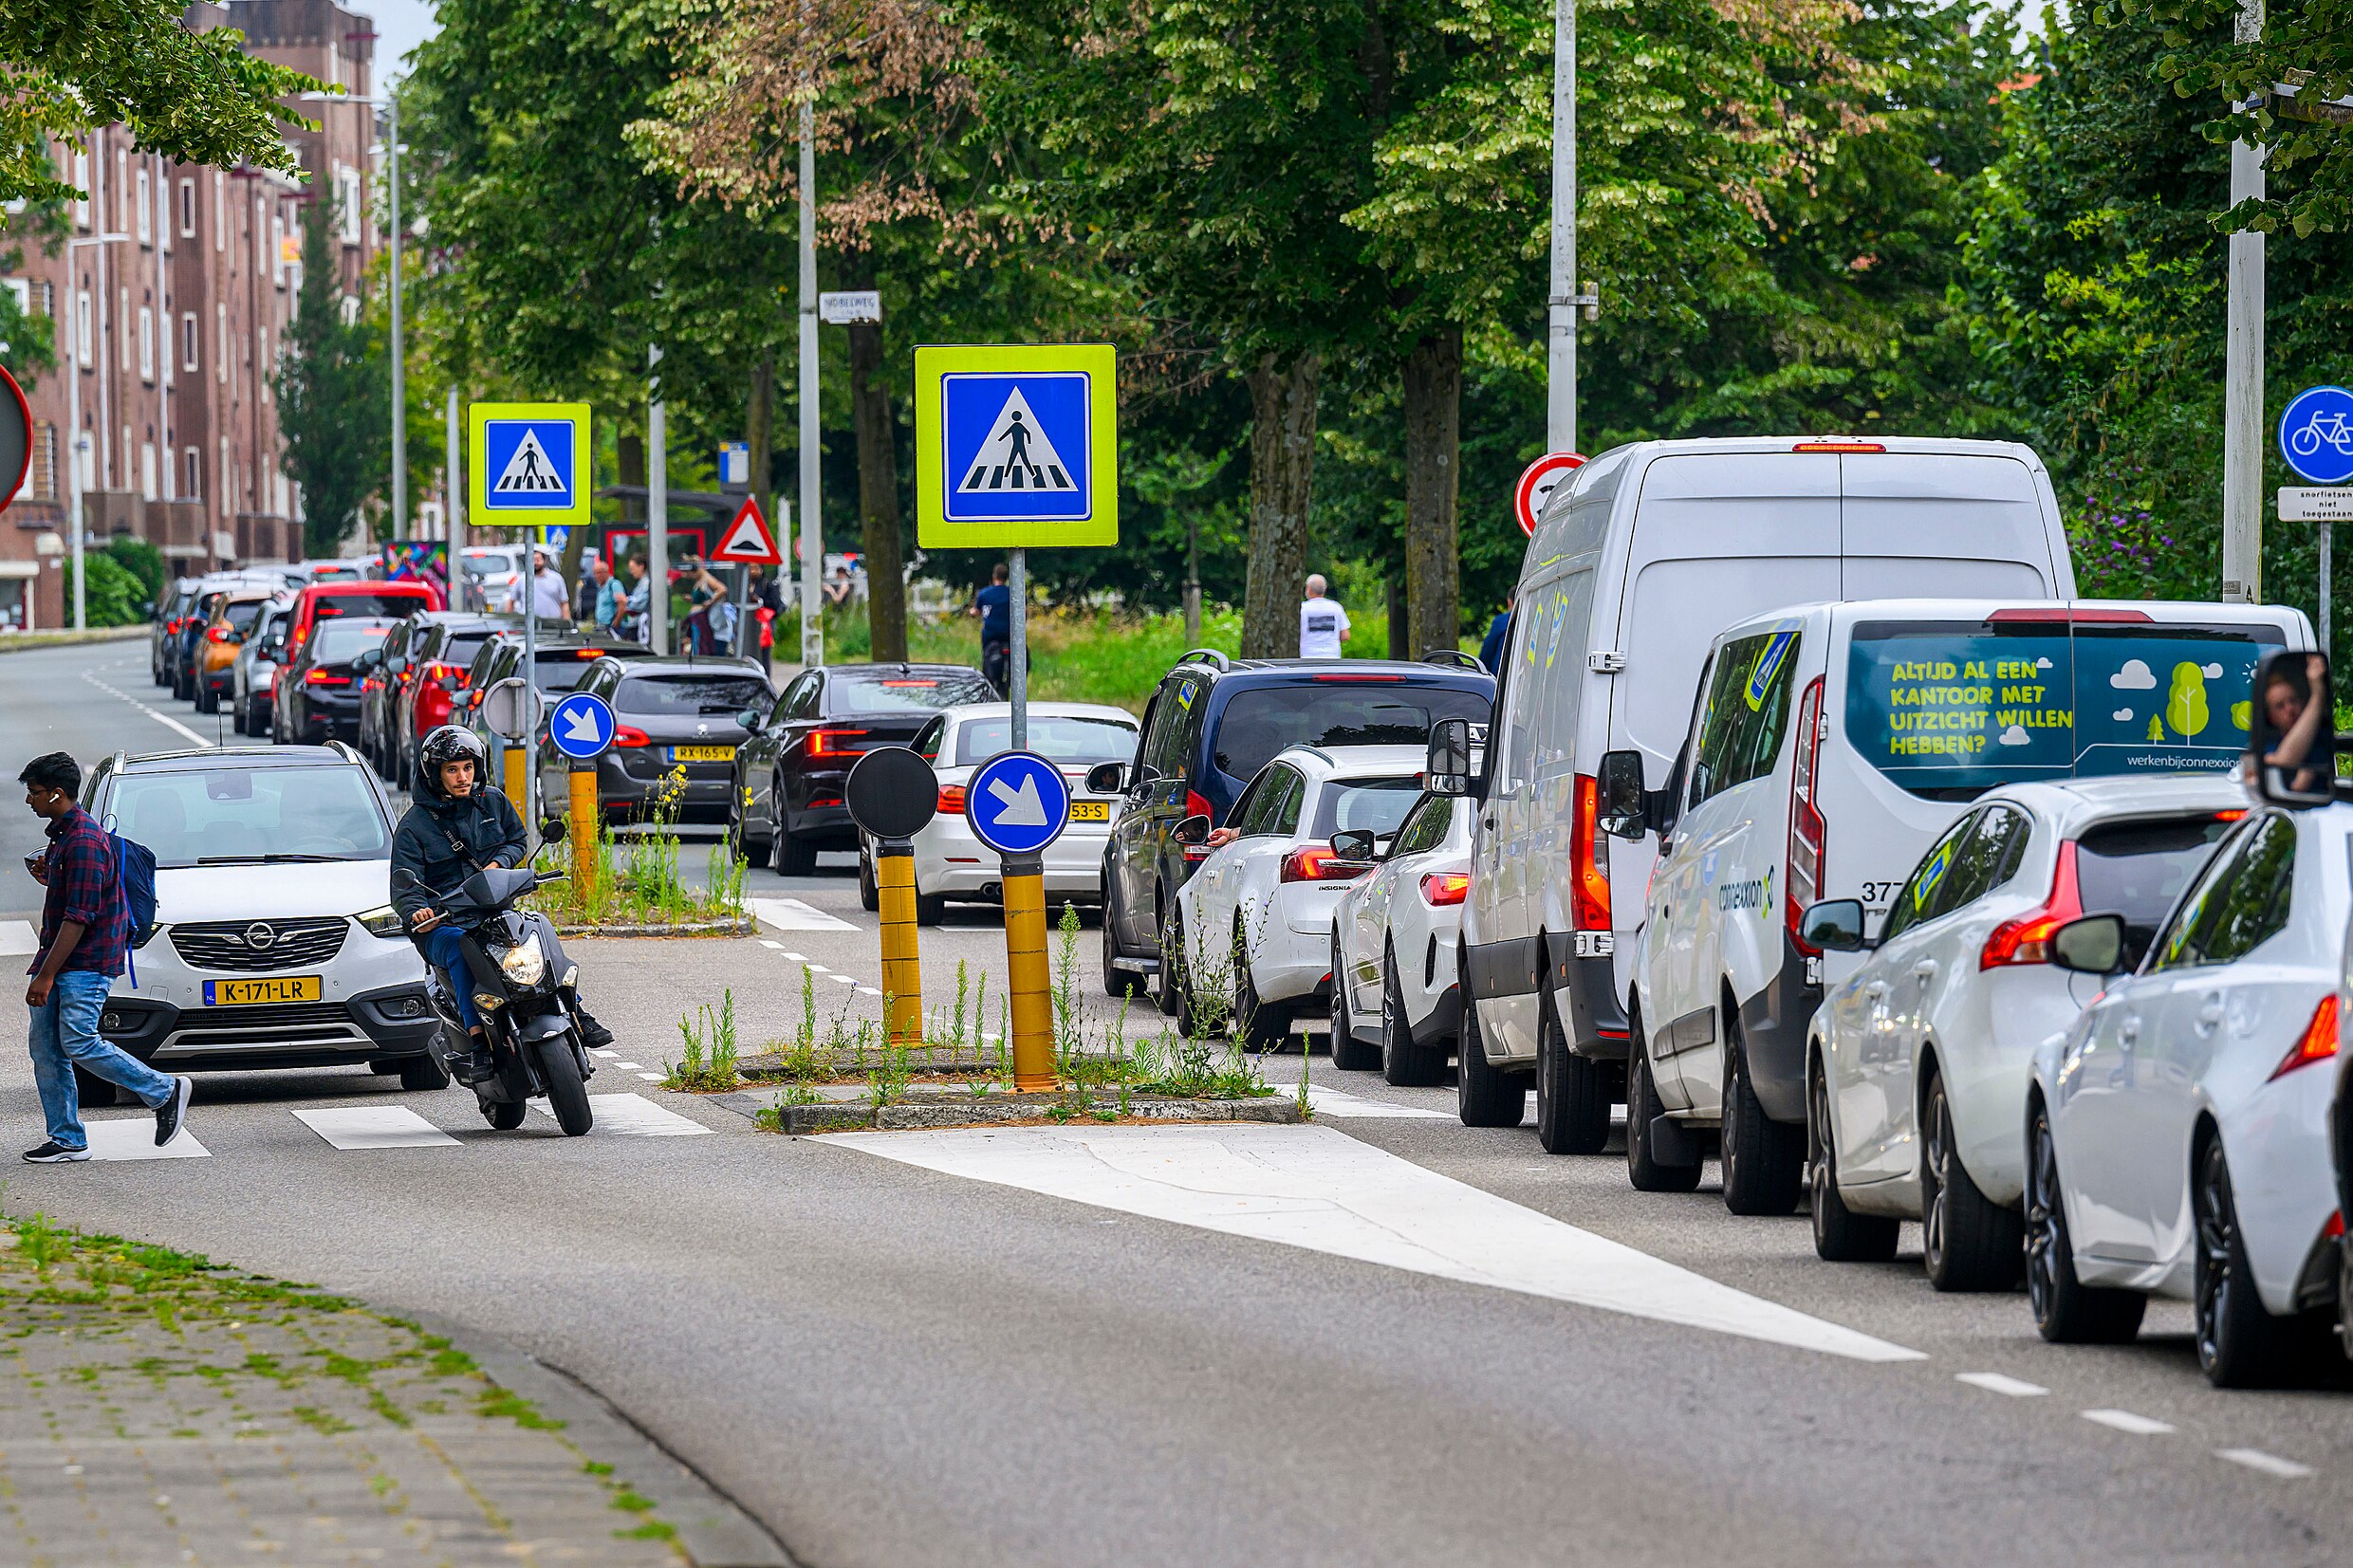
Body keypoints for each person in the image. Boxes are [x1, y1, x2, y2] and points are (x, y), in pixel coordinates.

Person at [392, 728, 614, 1078]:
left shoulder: (492, 800)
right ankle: (479, 1043)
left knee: (537, 930)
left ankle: (575, 1012)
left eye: (467, 767)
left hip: (493, 909)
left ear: (477, 768)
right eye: (452, 770)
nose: (462, 777)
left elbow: (517, 840)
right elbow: (404, 887)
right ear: (434, 774)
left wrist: (501, 865)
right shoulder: (414, 825)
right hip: (444, 924)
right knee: (460, 950)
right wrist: (417, 910)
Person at [16, 752, 193, 1162]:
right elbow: (76, 898)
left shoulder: (83, 841)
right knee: (46, 1049)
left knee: (78, 1040)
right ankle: (67, 1139)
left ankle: (165, 1090)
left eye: (35, 793)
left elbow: (79, 917)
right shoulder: (64, 837)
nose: (30, 801)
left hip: (85, 962)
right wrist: (50, 873)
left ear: (57, 794)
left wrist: (45, 975)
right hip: (63, 959)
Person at [2259, 653, 2331, 794]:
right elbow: (2283, 761)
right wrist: (2317, 696)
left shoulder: (2320, 739)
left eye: (2292, 700)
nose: (2290, 709)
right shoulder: (2268, 746)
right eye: (2280, 706)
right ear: (2272, 718)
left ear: (2302, 702)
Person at [973, 563, 1012, 692]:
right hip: (1010, 636)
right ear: (1007, 577)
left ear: (994, 576)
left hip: (991, 635)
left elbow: (976, 611)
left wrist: (972, 613)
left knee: (987, 657)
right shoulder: (1012, 593)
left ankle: (989, 679)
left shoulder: (984, 594)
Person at [1299, 574, 1350, 658]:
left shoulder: (1302, 609)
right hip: (1332, 656)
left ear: (1309, 589)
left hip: (1307, 656)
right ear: (1324, 589)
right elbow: (1345, 636)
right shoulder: (1336, 607)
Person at [1479, 588, 1514, 674]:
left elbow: (1487, 651)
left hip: (1501, 676)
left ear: (1509, 602)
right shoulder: (1534, 621)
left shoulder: (1501, 622)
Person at [530, 548, 569, 623]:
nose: (535, 563)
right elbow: (511, 601)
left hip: (553, 623)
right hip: (528, 624)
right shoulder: (521, 579)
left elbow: (564, 602)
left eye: (538, 560)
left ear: (544, 561)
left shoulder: (556, 579)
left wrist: (567, 623)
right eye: (533, 560)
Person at [620, 555, 651, 643]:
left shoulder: (646, 583)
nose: (631, 571)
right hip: (636, 624)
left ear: (641, 566)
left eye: (632, 568)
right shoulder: (641, 583)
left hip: (640, 625)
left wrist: (626, 601)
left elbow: (639, 604)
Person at [591, 556, 623, 635]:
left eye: (599, 572)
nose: (597, 576)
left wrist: (616, 623)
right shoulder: (600, 587)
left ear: (606, 572)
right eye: (595, 573)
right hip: (601, 627)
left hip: (612, 628)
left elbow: (622, 605)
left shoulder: (614, 585)